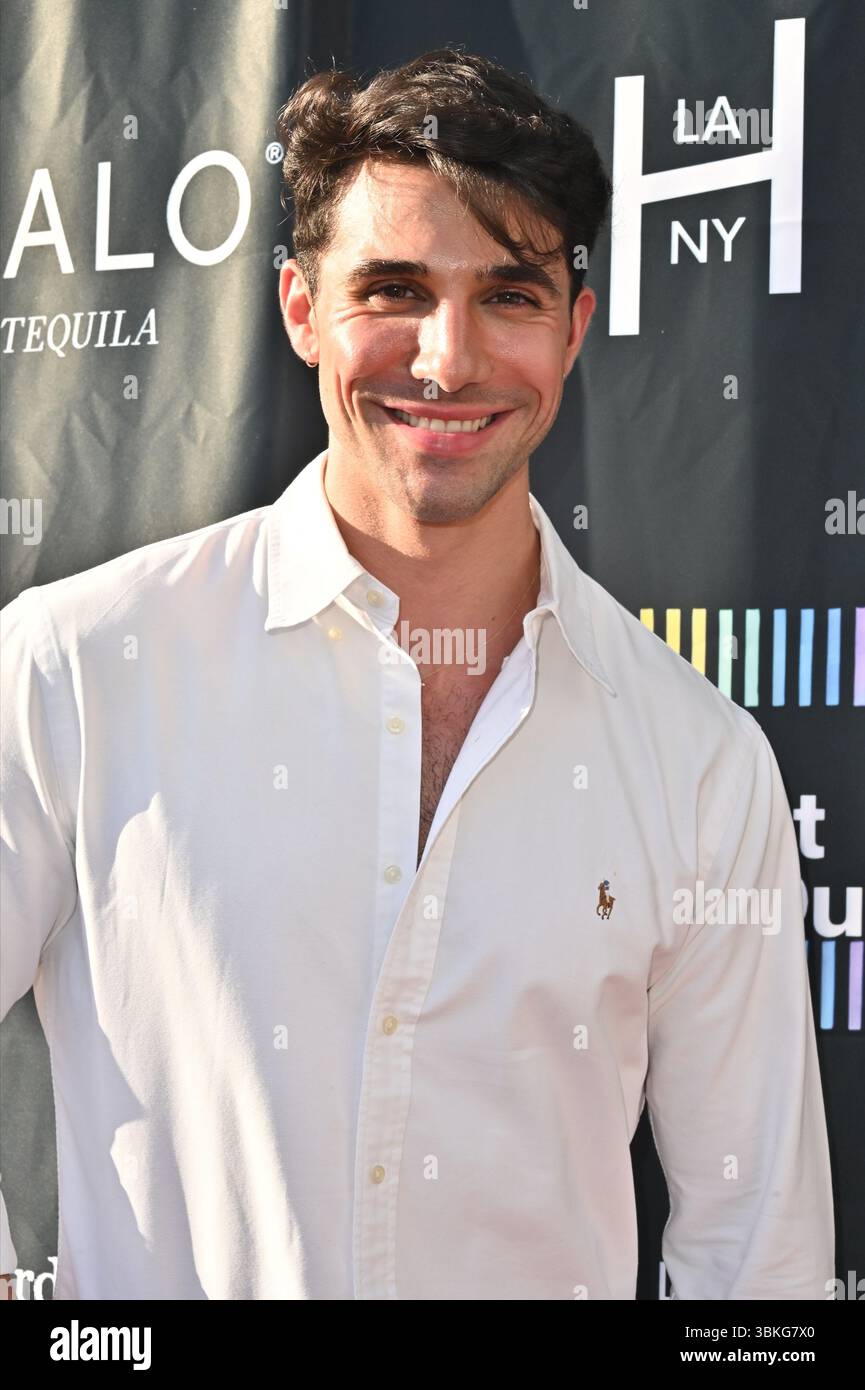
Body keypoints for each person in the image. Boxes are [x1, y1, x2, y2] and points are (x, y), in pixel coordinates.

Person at [0, 48, 833, 1301]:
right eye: (393, 288)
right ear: (298, 308)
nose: (447, 362)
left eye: (508, 294)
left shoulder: (697, 757)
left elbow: (756, 1248)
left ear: (572, 328)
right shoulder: (75, 670)